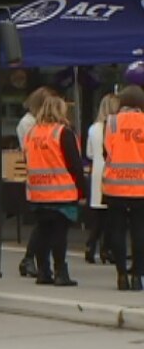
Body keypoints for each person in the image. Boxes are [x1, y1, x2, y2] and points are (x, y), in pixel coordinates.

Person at [23, 95, 85, 286]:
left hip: (38, 191)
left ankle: (43, 271)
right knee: (59, 234)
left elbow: (27, 160)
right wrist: (82, 190)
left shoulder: (32, 133)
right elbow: (75, 164)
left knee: (43, 232)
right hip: (61, 191)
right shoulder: (63, 132)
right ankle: (60, 272)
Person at [102, 84, 144, 291]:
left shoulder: (111, 122)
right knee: (139, 231)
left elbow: (106, 151)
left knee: (117, 231)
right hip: (141, 187)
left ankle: (121, 276)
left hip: (115, 185)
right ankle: (137, 275)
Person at [17, 86, 58, 278]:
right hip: (40, 179)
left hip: (49, 180)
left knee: (47, 224)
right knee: (43, 224)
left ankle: (35, 259)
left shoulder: (44, 125)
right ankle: (30, 258)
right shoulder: (28, 124)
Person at [85, 93, 119, 264]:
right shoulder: (115, 128)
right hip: (110, 171)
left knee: (98, 214)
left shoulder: (93, 128)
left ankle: (91, 246)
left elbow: (89, 153)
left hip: (96, 171)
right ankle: (107, 249)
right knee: (112, 215)